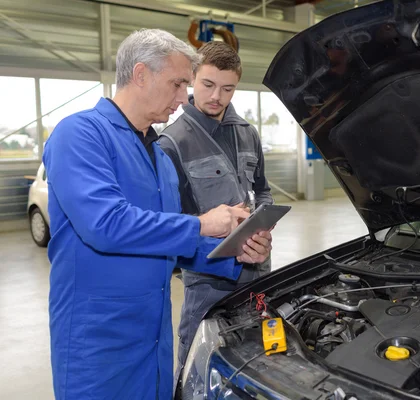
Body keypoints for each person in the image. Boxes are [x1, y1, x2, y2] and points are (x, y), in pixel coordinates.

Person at [42, 29, 268, 400]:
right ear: (141, 74)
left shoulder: (158, 158)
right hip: (98, 340)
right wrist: (201, 222)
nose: (184, 99)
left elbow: (170, 242)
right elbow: (106, 224)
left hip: (154, 335)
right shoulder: (80, 135)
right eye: (178, 84)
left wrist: (237, 252)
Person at [158, 41, 274, 381]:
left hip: (261, 270)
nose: (216, 97)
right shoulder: (171, 143)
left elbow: (263, 190)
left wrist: (264, 226)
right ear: (192, 78)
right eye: (208, 85)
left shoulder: (248, 134)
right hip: (208, 283)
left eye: (228, 88)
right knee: (198, 369)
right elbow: (169, 224)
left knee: (261, 362)